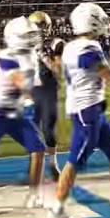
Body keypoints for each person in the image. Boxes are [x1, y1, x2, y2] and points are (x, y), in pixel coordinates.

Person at [48, 2, 110, 218]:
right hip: (86, 111)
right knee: (75, 162)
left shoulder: (72, 46)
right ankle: (57, 209)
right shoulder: (89, 48)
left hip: (94, 109)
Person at [0, 16, 48, 208]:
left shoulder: (30, 55)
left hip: (16, 113)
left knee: (38, 149)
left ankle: (35, 194)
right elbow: (23, 84)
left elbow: (31, 86)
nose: (32, 39)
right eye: (27, 36)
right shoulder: (6, 57)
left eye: (33, 35)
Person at [28, 11, 64, 180]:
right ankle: (34, 164)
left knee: (48, 128)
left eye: (40, 26)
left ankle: (52, 163)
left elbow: (58, 69)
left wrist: (43, 56)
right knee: (32, 129)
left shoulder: (55, 44)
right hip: (30, 89)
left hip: (48, 89)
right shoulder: (26, 44)